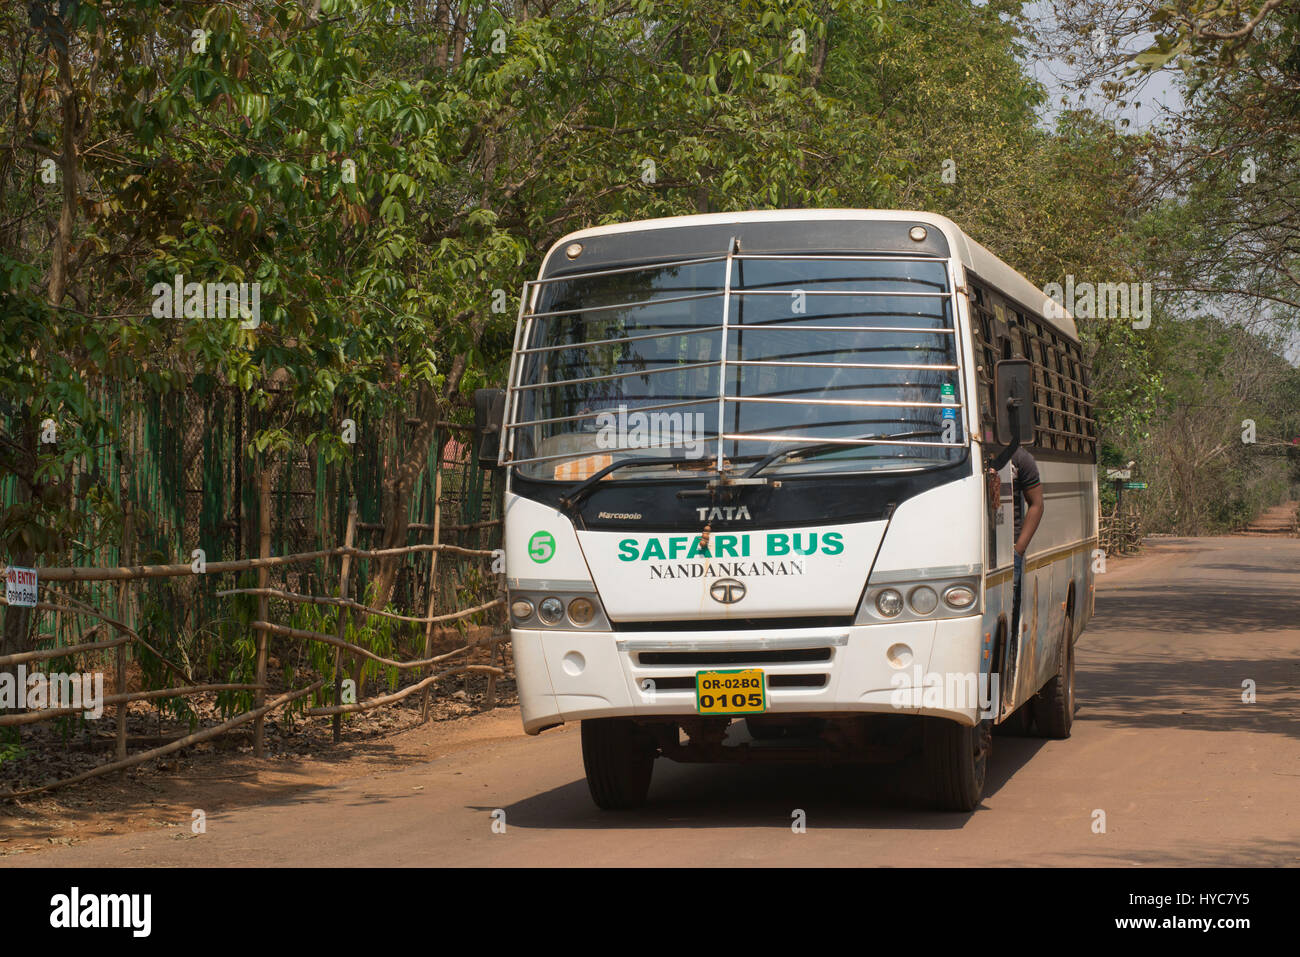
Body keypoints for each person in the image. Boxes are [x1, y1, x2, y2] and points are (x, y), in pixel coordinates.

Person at [987, 447, 1044, 646]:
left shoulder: (1020, 459)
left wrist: (1017, 550)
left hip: (1009, 554)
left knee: (1009, 623)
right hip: (977, 554)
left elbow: (1036, 504)